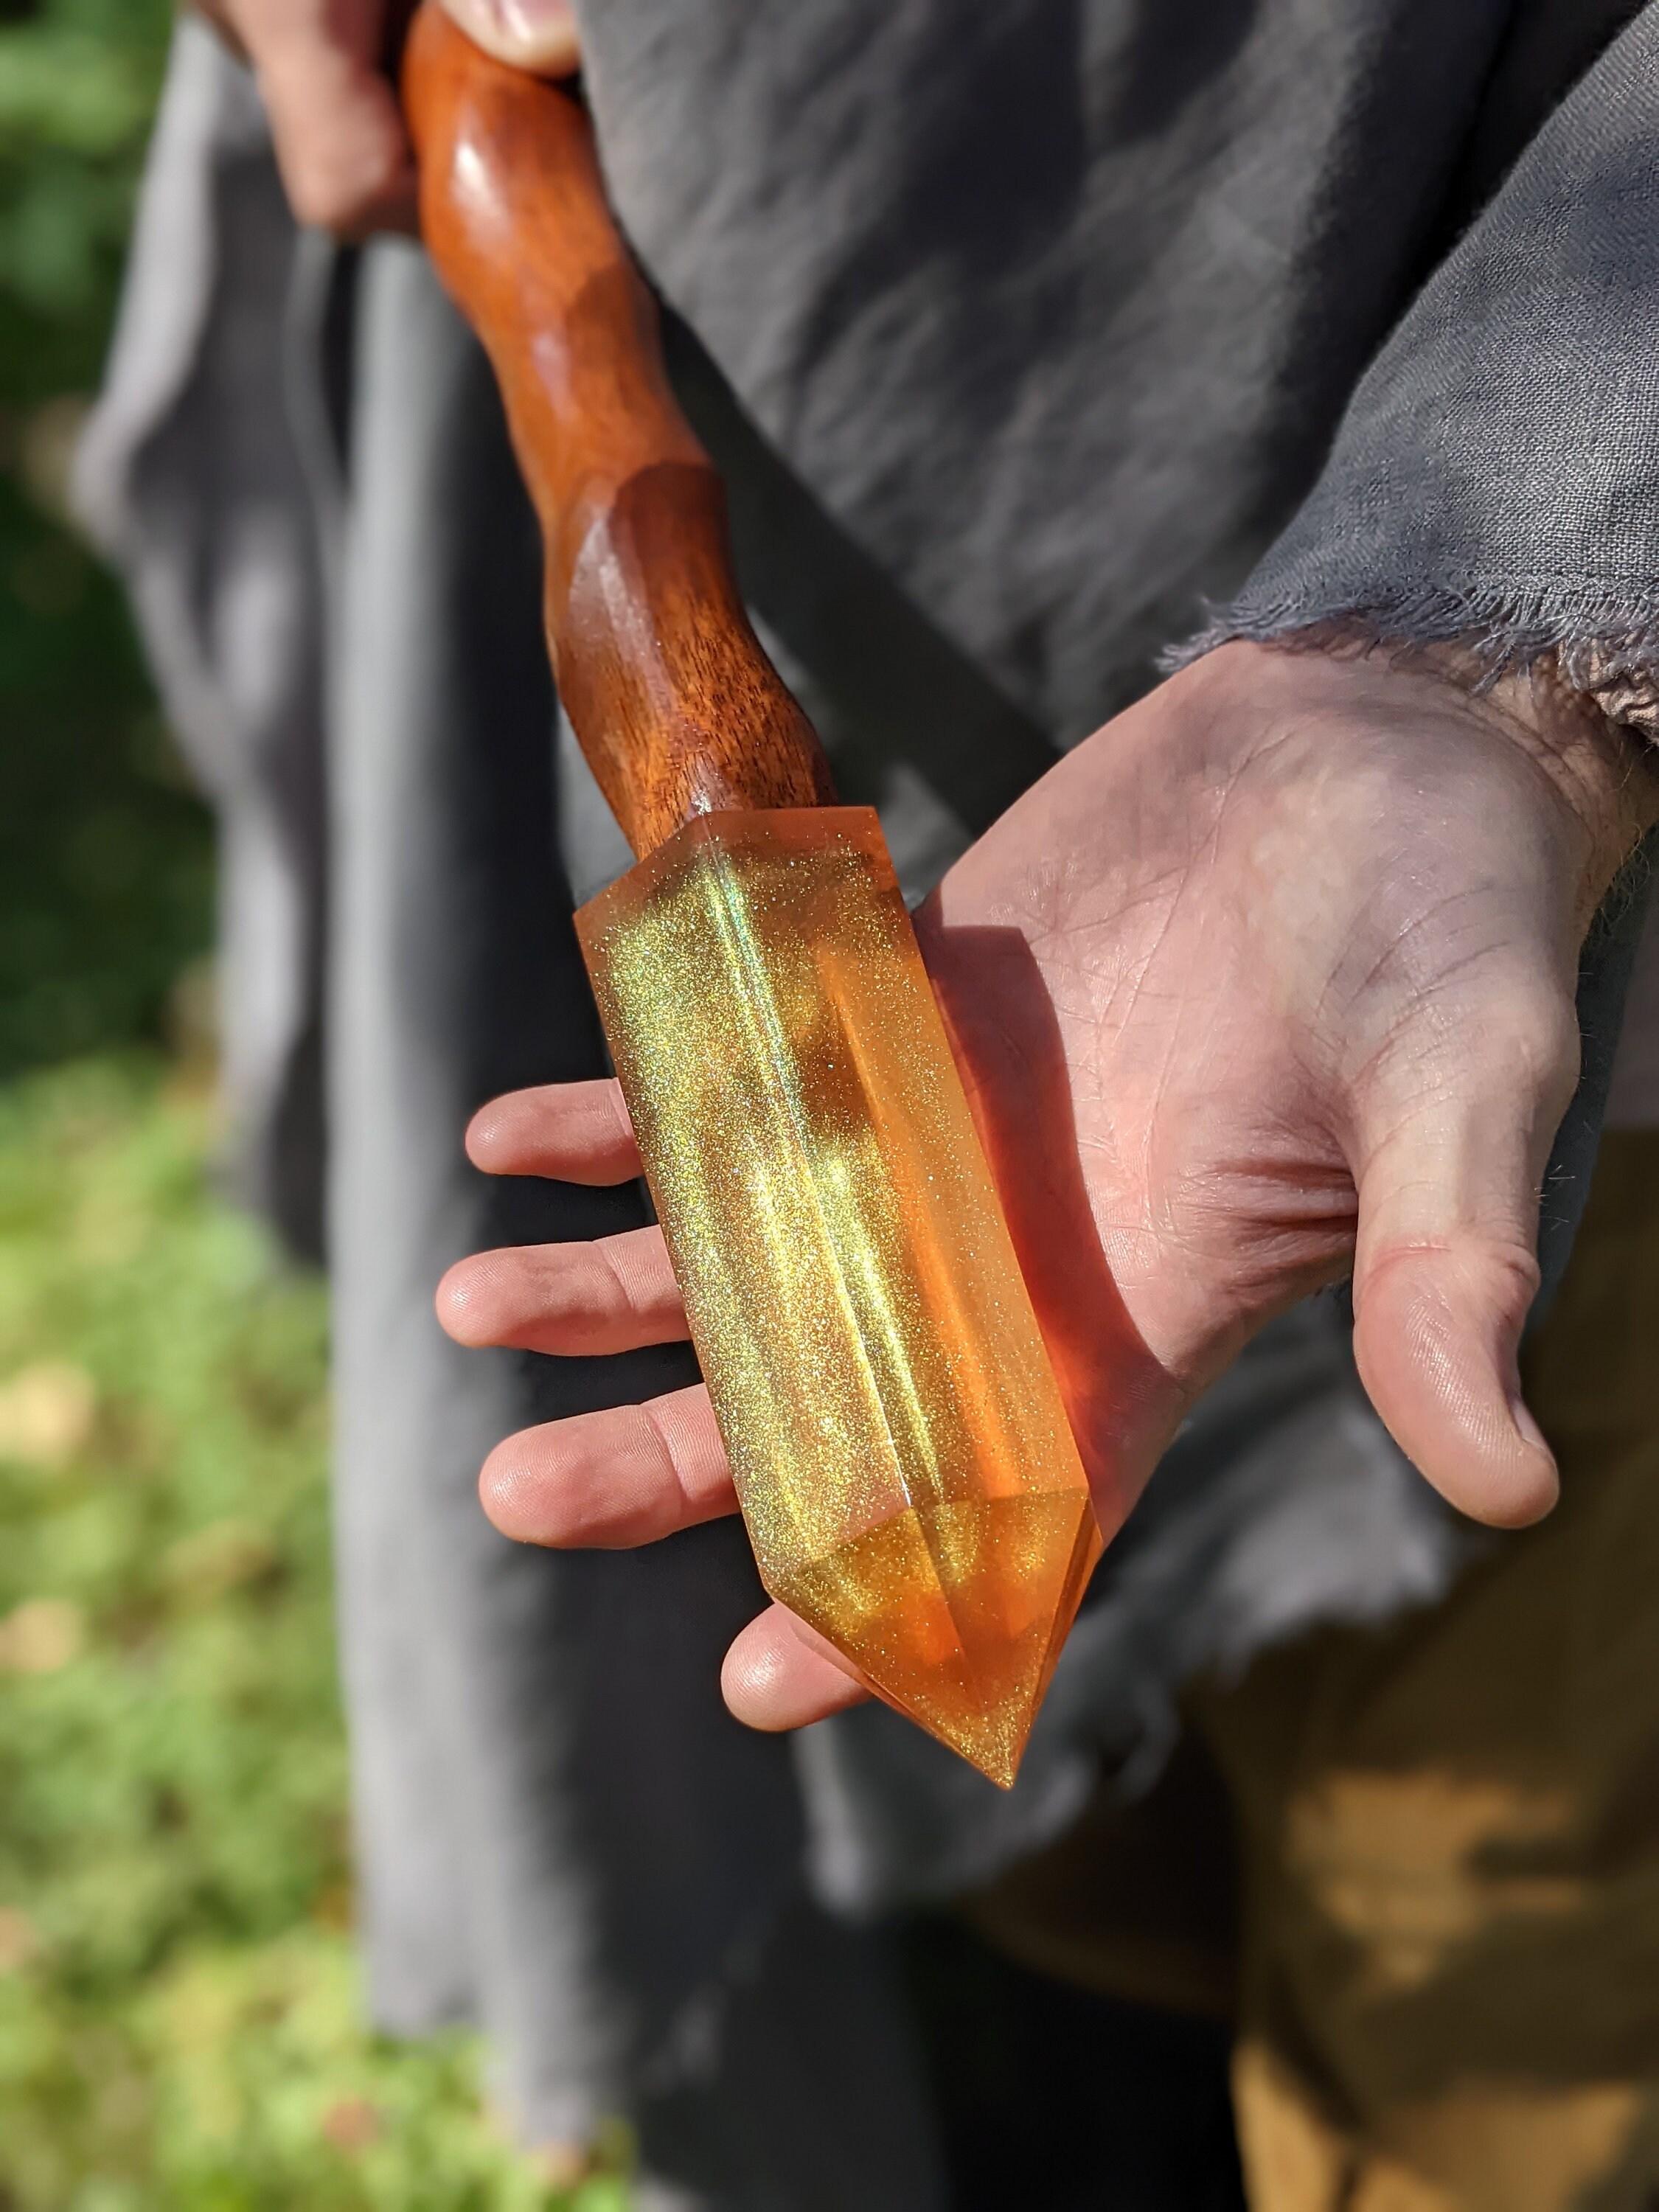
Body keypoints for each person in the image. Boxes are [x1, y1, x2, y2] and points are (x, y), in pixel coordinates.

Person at [84, 1, 1659, 2205]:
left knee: (1487, 1926)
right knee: (1057, 1935)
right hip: (610, 313)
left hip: (1440, 487)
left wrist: (1519, 632)